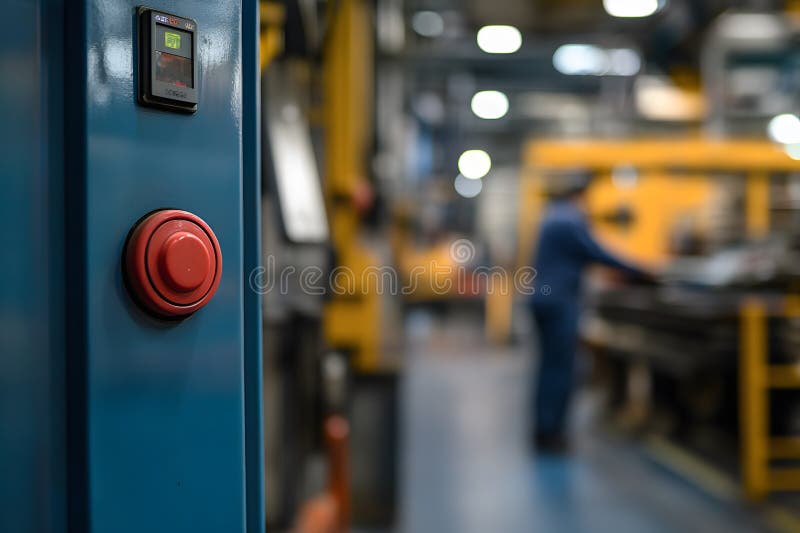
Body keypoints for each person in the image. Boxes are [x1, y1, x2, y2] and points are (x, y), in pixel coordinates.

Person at [529, 170, 649, 452]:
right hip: (559, 303)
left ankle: (543, 430)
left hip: (542, 299)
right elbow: (597, 251)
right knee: (562, 369)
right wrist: (640, 269)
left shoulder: (552, 216)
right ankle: (552, 433)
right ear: (580, 196)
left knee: (548, 367)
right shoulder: (570, 219)